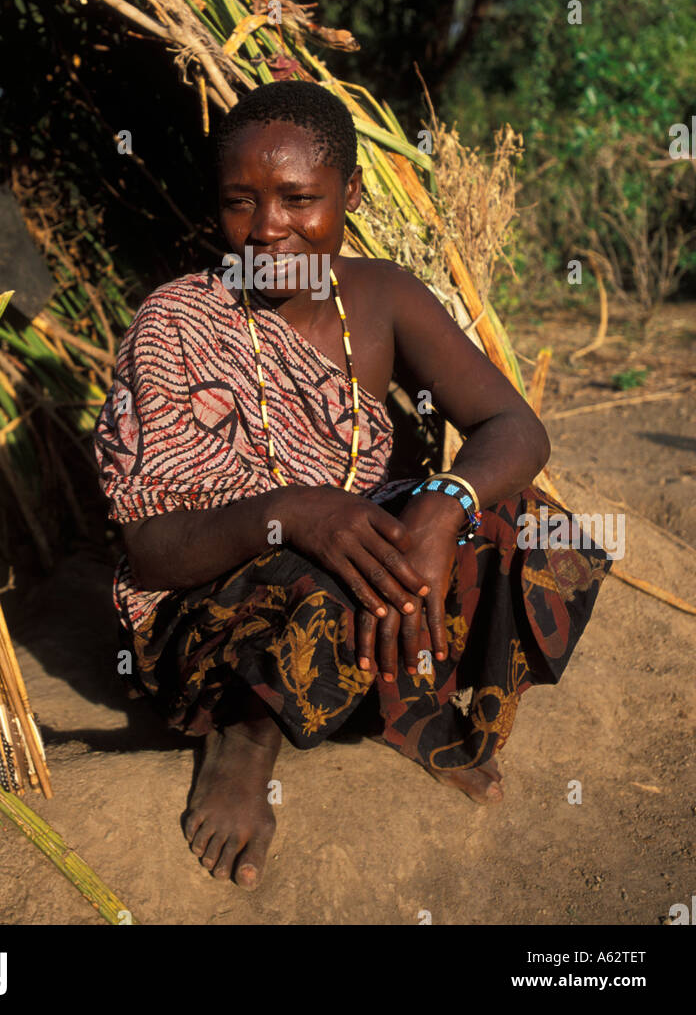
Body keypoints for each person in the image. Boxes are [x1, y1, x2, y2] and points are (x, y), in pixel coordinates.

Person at [93, 80, 610, 891]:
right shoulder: (174, 325)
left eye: (299, 199)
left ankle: (419, 706)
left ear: (351, 196)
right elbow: (153, 555)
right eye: (240, 202)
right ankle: (244, 736)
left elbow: (516, 429)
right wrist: (289, 514)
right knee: (323, 573)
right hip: (227, 612)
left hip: (376, 583)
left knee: (532, 531)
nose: (268, 229)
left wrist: (446, 507)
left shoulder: (382, 298)